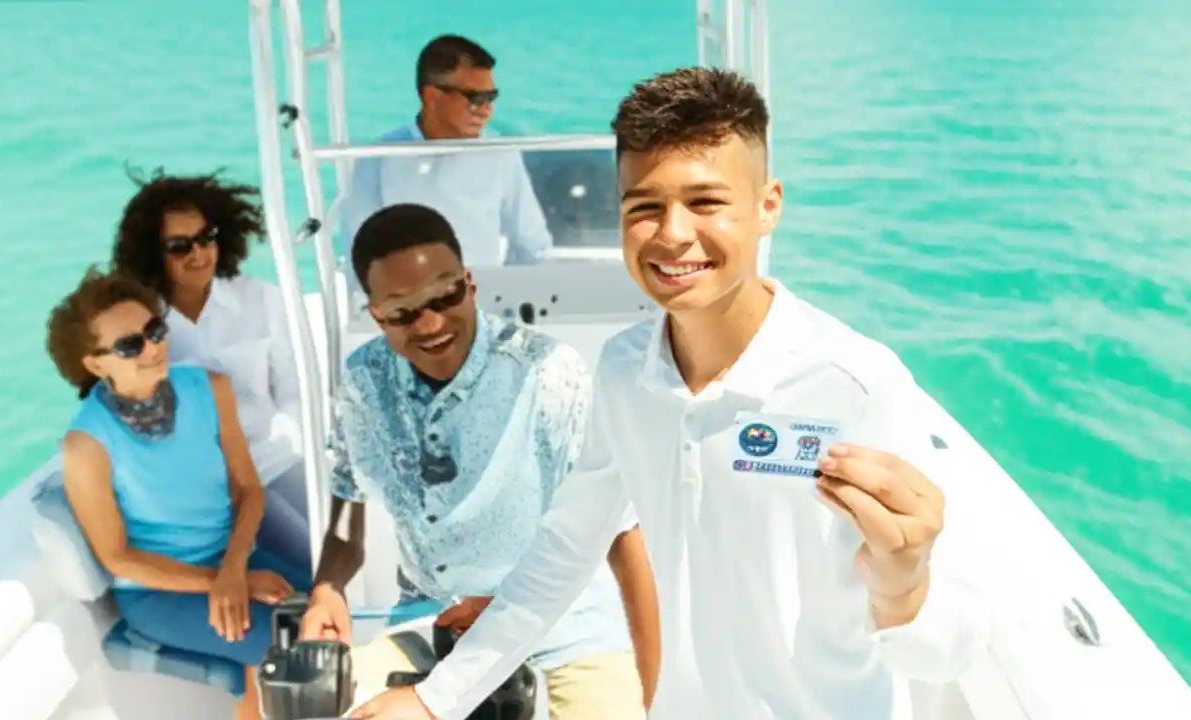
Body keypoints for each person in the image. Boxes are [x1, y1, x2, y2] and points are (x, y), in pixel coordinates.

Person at [349, 67, 989, 720]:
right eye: (644, 208)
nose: (673, 233)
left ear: (768, 205)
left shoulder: (854, 382)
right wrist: (436, 700)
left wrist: (905, 585)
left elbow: (950, 655)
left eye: (706, 202)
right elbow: (566, 550)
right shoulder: (627, 371)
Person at [298, 203, 660, 719]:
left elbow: (623, 535)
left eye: (446, 296)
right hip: (433, 621)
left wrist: (655, 688)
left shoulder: (550, 374)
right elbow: (346, 502)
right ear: (375, 315)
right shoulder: (363, 381)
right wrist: (327, 589)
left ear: (469, 285)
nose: (431, 323)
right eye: (402, 311)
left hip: (565, 624)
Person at [46, 267, 313, 720]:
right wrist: (228, 584)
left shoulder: (211, 388)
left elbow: (248, 488)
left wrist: (234, 570)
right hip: (158, 593)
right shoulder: (86, 444)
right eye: (130, 345)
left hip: (233, 561)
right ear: (94, 363)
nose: (152, 348)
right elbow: (118, 559)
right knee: (293, 651)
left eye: (154, 331)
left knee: (328, 615)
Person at [111, 169, 311, 571]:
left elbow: (294, 387)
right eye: (180, 246)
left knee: (349, 541)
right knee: (314, 558)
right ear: (154, 254)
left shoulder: (260, 299)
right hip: (212, 483)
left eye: (206, 238)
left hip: (277, 454)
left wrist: (292, 437)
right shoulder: (140, 326)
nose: (199, 254)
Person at [338, 34, 552, 290]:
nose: (487, 110)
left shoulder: (499, 152)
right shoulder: (380, 159)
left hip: (480, 303)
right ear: (432, 96)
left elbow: (531, 245)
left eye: (491, 98)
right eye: (475, 99)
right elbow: (359, 256)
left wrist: (505, 300)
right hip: (411, 313)